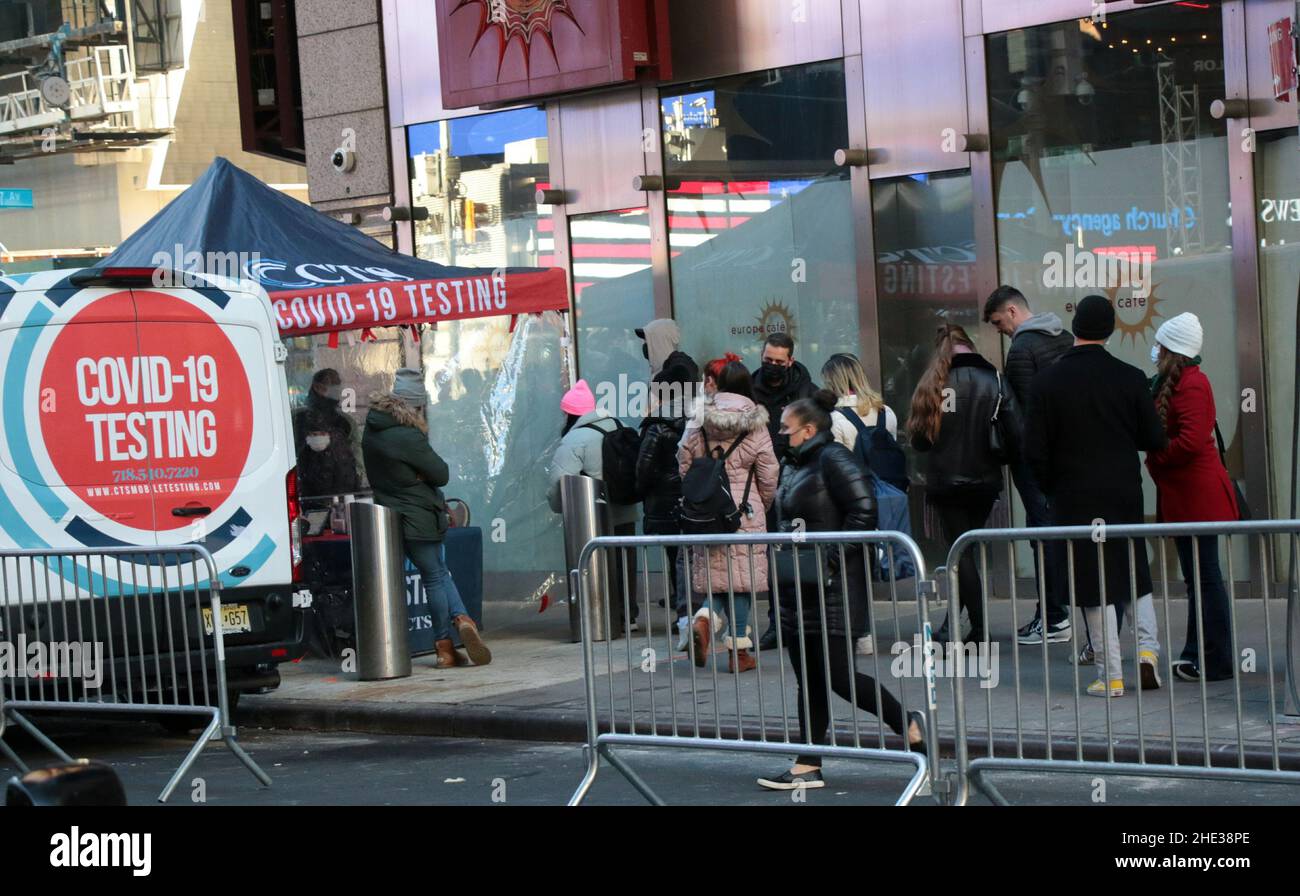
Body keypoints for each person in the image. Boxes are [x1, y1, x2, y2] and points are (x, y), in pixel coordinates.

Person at [757, 390, 926, 790]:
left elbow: (864, 509)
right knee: (809, 678)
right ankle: (807, 763)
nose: (781, 434)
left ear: (809, 429)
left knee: (838, 677)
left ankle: (908, 722)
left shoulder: (834, 458)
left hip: (834, 587)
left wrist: (830, 556)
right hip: (798, 585)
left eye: (786, 428)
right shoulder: (791, 464)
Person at [1024, 295, 1168, 697]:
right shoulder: (1130, 377)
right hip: (1122, 490)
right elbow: (1154, 438)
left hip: (1073, 494)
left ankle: (1111, 673)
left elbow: (1033, 450)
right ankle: (1147, 652)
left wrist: (1051, 487)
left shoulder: (1047, 383)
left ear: (1076, 328)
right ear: (1109, 331)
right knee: (1132, 569)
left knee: (1089, 580)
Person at [362, 368, 490, 669]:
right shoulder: (407, 435)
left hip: (389, 515)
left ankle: (461, 621)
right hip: (419, 515)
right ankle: (445, 643)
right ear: (413, 404)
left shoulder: (371, 430)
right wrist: (420, 476)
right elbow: (441, 473)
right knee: (435, 576)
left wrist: (414, 475)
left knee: (439, 572)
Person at [906, 324, 1020, 645]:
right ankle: (955, 625)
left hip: (947, 482)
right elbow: (1016, 431)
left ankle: (979, 628)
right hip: (985, 481)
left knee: (961, 554)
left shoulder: (937, 385)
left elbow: (920, 441)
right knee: (964, 552)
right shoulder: (995, 380)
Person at [1145, 313, 1239, 682]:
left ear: (1172, 349)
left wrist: (1156, 456)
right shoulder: (1175, 382)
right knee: (1197, 578)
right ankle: (1196, 653)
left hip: (1198, 497)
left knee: (1206, 577)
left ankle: (1216, 660)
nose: (1156, 349)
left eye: (1161, 344)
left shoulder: (1194, 385)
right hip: (1185, 496)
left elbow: (1191, 440)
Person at [982, 286, 1075, 648]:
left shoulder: (1022, 349)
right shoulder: (1063, 337)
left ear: (1012, 311)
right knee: (1063, 533)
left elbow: (1025, 416)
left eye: (998, 321)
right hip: (1069, 452)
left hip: (1038, 461)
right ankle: (1059, 614)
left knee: (1043, 533)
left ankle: (1053, 617)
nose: (999, 329)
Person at [677, 363, 779, 672]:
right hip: (744, 511)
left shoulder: (699, 418)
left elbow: (683, 459)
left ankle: (705, 619)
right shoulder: (754, 422)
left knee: (719, 579)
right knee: (742, 582)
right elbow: (768, 470)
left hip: (707, 510)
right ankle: (739, 653)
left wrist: (696, 495)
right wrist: (763, 502)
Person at [821, 352, 904, 656]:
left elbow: (836, 463)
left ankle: (863, 634)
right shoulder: (887, 412)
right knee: (884, 561)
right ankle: (894, 636)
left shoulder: (835, 419)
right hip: (887, 496)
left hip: (853, 502)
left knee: (854, 570)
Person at [547, 378, 641, 630]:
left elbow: (560, 482)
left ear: (570, 414)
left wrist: (558, 507)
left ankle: (602, 616)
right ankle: (627, 615)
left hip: (593, 514)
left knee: (598, 564)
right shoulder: (621, 425)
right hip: (626, 508)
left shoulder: (575, 438)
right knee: (625, 561)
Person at [751, 333, 818, 650]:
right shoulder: (749, 391)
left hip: (800, 484)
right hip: (764, 486)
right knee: (774, 557)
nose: (773, 366)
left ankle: (806, 622)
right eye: (768, 361)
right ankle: (778, 623)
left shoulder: (808, 393)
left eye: (779, 362)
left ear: (790, 361)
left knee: (802, 556)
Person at [636, 362, 695, 627]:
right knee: (696, 556)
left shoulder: (657, 424)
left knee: (677, 558)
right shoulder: (700, 419)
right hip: (697, 498)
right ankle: (702, 612)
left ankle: (685, 613)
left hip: (665, 501)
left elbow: (643, 467)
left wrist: (642, 490)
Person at [293, 368, 363, 491]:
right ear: (317, 387)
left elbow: (357, 455)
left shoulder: (346, 422)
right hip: (306, 489)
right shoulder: (297, 419)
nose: (335, 392)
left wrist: (357, 477)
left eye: (337, 387)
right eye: (331, 386)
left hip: (342, 487)